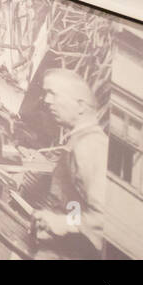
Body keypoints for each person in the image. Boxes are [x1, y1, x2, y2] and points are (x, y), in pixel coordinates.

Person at [33, 68, 108, 259]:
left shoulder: (91, 146)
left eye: (54, 94)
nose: (47, 101)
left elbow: (105, 218)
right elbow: (78, 204)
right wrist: (55, 220)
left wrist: (64, 224)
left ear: (81, 106)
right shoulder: (79, 140)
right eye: (46, 93)